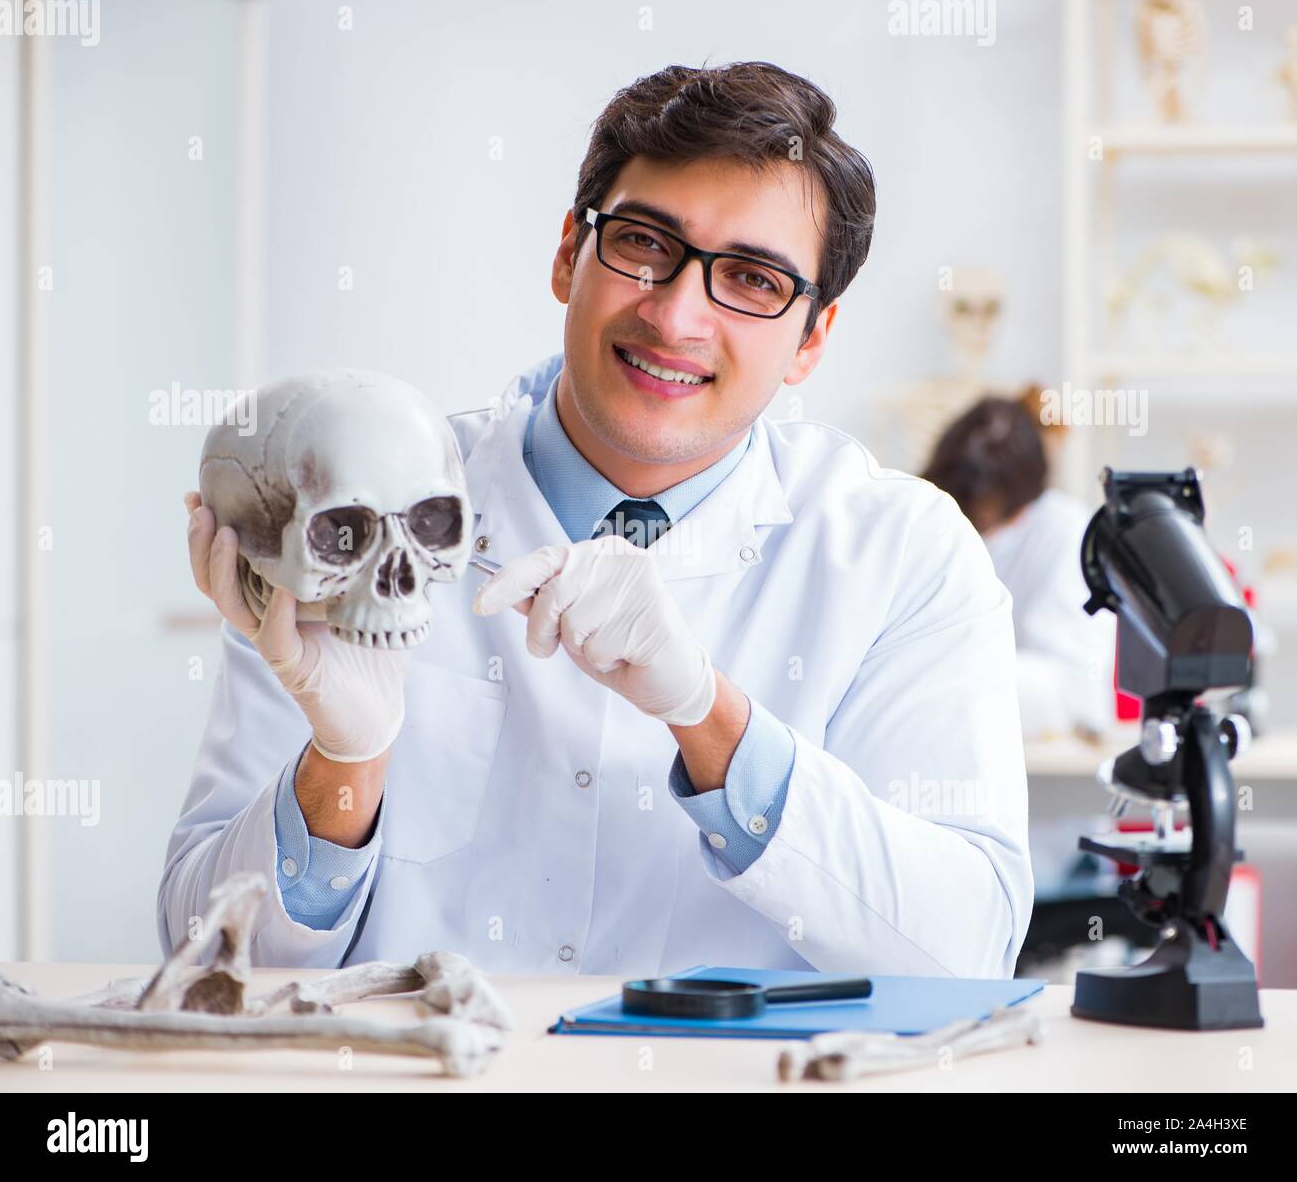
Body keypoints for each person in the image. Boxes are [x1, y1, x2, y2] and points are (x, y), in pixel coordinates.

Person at [163, 61, 1032, 980]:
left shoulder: (904, 554)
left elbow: (964, 951)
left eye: (751, 278)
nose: (677, 313)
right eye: (646, 243)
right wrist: (344, 761)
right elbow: (199, 957)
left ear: (811, 337)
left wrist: (712, 718)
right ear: (568, 252)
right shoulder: (361, 503)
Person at [922, 396, 1116, 742]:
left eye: (983, 514)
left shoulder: (1065, 532)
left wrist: (937, 675)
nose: (975, 522)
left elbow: (1071, 691)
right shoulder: (932, 522)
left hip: (1044, 760)